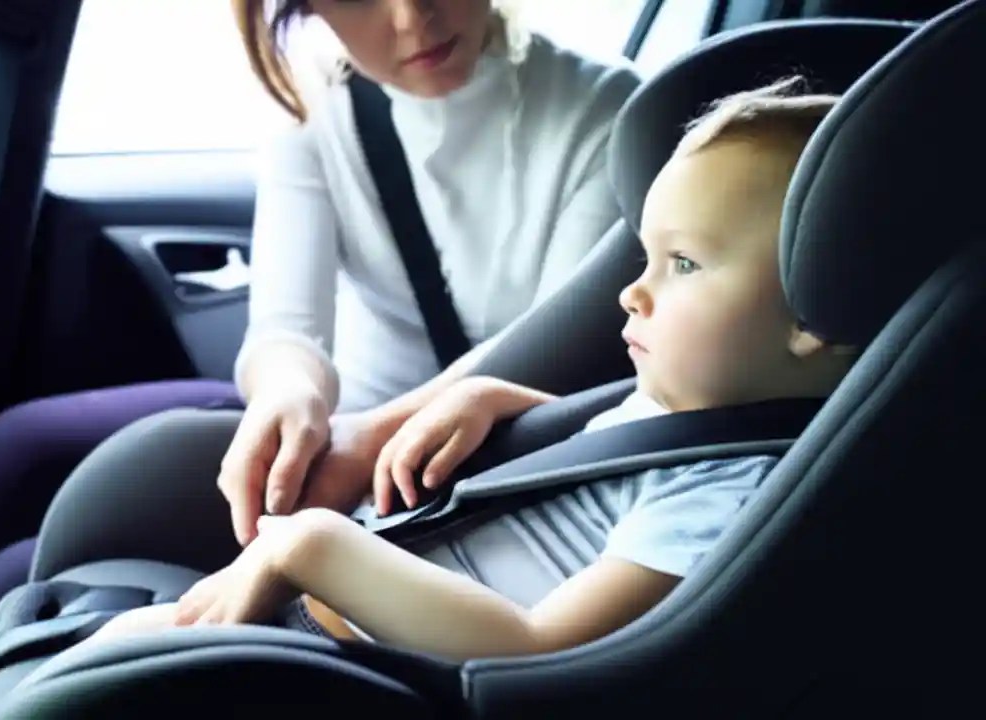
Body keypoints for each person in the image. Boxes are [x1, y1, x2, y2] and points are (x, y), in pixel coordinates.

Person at [0, 1, 639, 709]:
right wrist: (288, 395)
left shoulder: (608, 111)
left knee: (4, 587)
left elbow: (551, 351)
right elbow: (284, 327)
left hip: (467, 459)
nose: (412, 18)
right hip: (340, 438)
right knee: (12, 458)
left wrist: (367, 446)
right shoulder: (316, 103)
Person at [63, 76, 859, 660]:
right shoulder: (686, 412)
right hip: (331, 612)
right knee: (95, 642)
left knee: (95, 663)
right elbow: (611, 463)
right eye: (645, 257)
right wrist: (501, 402)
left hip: (354, 664)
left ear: (813, 317)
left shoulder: (727, 496)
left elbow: (540, 655)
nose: (631, 291)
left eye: (681, 264)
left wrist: (306, 546)